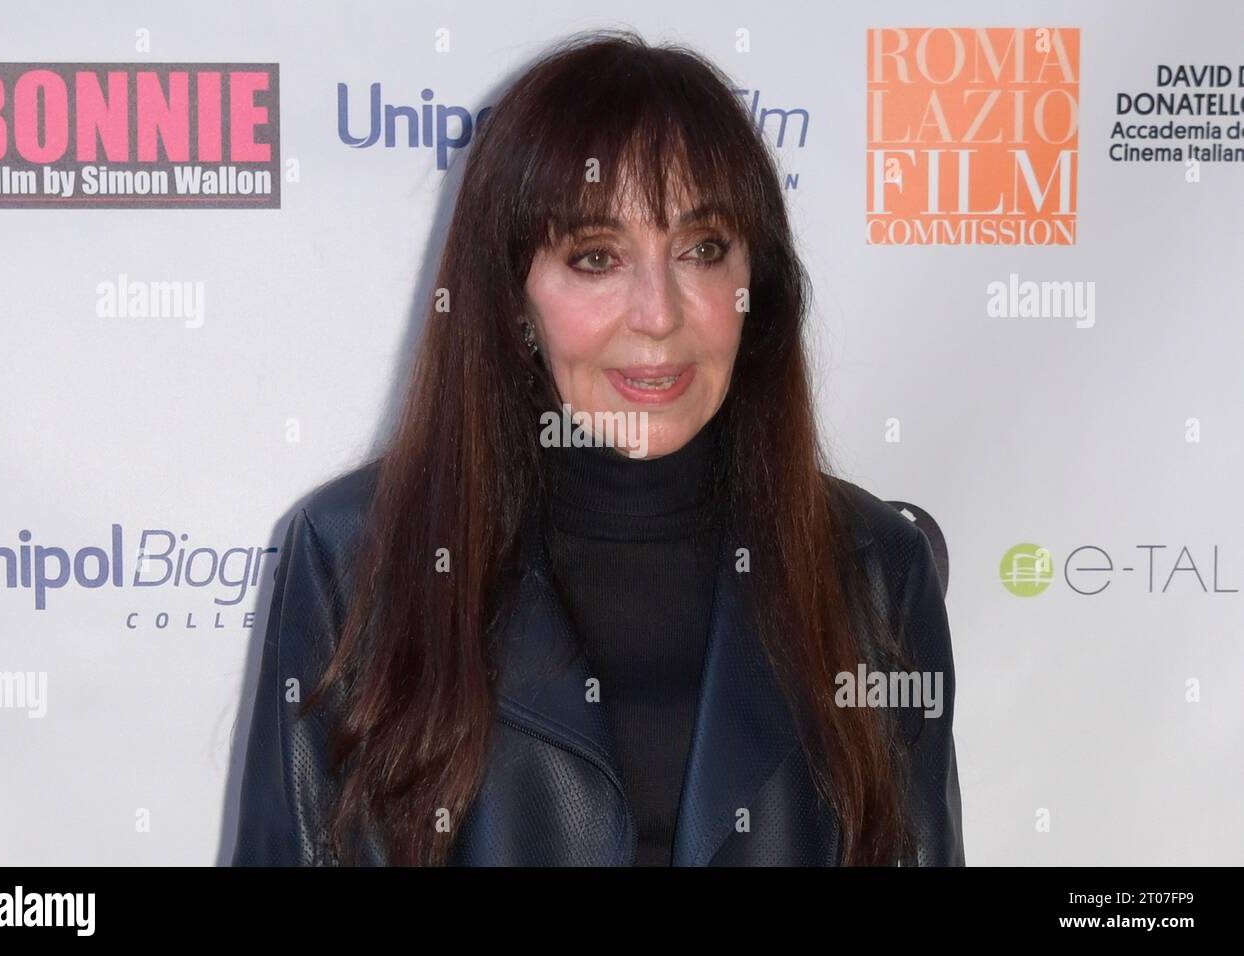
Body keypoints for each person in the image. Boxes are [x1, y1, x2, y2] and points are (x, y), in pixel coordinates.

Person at [231, 29, 964, 867]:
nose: (657, 313)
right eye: (595, 258)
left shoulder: (875, 570)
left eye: (701, 250)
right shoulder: (357, 555)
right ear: (513, 300)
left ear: (753, 285)